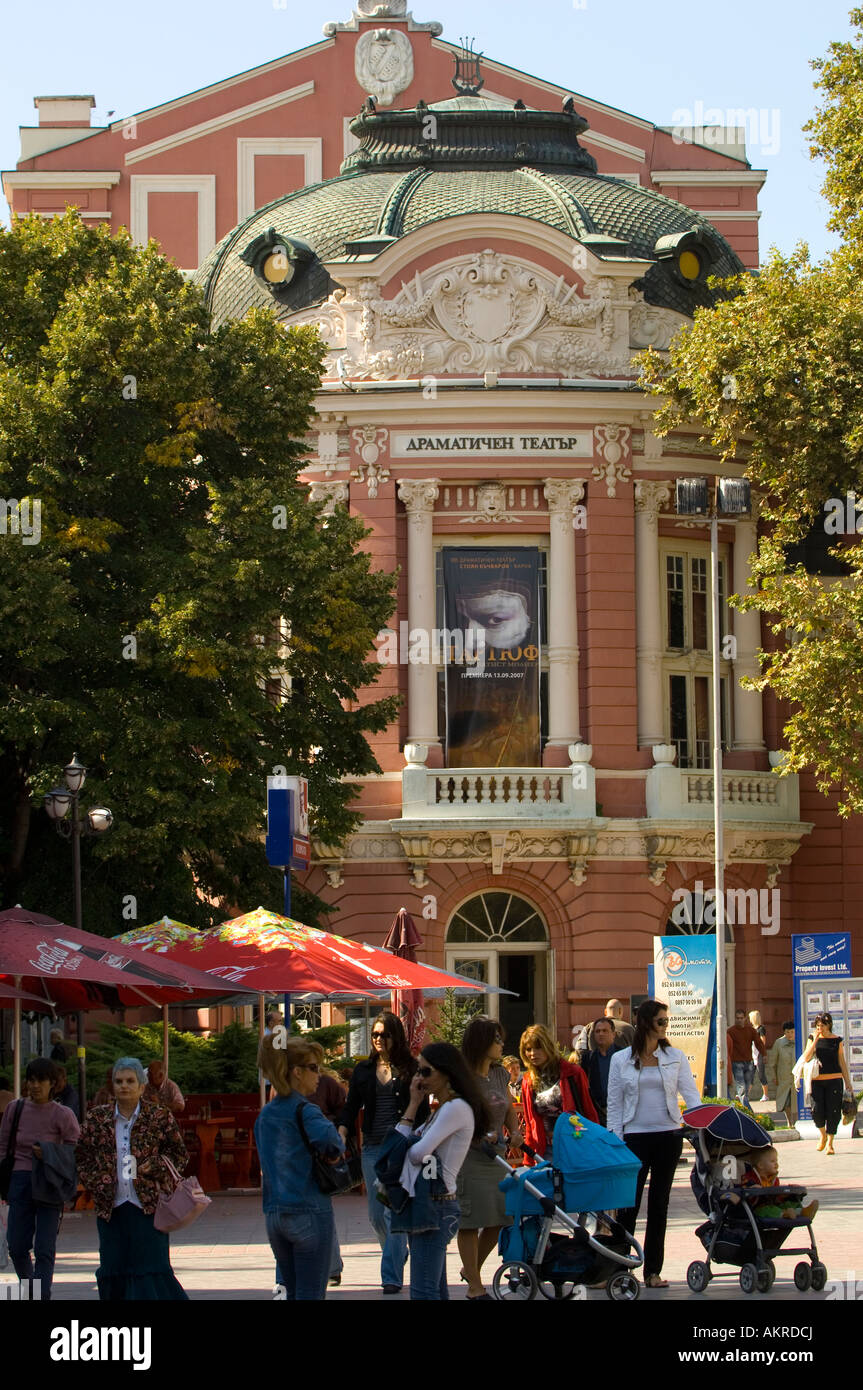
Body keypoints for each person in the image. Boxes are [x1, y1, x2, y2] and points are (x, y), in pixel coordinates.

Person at [76, 1056, 189, 1300]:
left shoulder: (158, 1116)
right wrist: (96, 1181)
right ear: (112, 1086)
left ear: (141, 1086)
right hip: (111, 1207)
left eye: (130, 1081)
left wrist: (153, 1166)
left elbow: (179, 1155)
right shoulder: (97, 1119)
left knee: (150, 1268)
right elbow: (81, 1156)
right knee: (113, 1267)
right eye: (119, 1081)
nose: (124, 1086)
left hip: (147, 1205)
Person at [607, 999, 701, 1289]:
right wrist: (615, 1141)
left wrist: (702, 1127)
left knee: (660, 1205)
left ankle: (652, 1272)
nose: (665, 1026)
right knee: (628, 1206)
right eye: (661, 1021)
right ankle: (623, 1268)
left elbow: (691, 1095)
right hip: (634, 1137)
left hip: (668, 1135)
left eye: (666, 1022)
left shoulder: (675, 1056)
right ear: (646, 1022)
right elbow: (614, 1104)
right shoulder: (620, 1059)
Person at [336, 1010, 428, 1295]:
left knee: (393, 1212)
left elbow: (423, 1111)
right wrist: (342, 1128)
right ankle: (398, 1253)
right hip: (373, 1148)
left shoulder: (411, 1069)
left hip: (401, 1148)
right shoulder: (364, 1071)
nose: (377, 1039)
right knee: (377, 1216)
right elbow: (351, 1106)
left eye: (383, 1035)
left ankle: (391, 1276)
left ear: (395, 1037)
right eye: (374, 1034)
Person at [394, 1041, 490, 1300]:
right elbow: (400, 1140)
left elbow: (415, 1152)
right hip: (428, 1202)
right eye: (418, 1070)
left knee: (424, 1291)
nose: (419, 1078)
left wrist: (410, 1143)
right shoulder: (441, 1110)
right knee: (433, 1288)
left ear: (446, 1073)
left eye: (426, 1072)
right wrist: (414, 1104)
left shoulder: (454, 1108)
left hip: (437, 1205)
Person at [255, 1034, 344, 1301]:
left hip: (275, 1213)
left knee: (290, 1291)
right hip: (309, 1209)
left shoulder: (266, 1114)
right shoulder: (306, 1110)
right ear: (296, 1072)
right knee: (311, 1293)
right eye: (314, 1068)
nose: (320, 1075)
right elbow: (333, 1145)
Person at [0, 1057, 80, 1299]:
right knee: (16, 1245)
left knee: (45, 1248)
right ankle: (34, 1291)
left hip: (48, 1181)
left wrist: (48, 1151)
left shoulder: (62, 1114)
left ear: (52, 1084)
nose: (35, 1086)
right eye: (31, 1080)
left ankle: (39, 1294)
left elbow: (75, 1147)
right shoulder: (16, 1108)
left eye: (41, 1081)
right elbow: (4, 1144)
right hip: (20, 1179)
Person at [456, 1017, 523, 1299]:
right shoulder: (462, 1077)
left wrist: (516, 1130)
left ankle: (470, 1269)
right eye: (497, 1039)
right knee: (470, 1220)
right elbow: (453, 1112)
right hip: (468, 1156)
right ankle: (474, 1285)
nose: (501, 1044)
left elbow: (508, 1106)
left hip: (496, 1157)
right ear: (481, 1042)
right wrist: (476, 1135)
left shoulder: (499, 1074)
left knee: (499, 1217)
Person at [519, 1023, 597, 1162]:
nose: (532, 1054)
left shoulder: (573, 1073)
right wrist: (529, 1159)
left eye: (538, 1048)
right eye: (528, 1049)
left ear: (548, 1047)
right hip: (545, 1150)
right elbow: (530, 1123)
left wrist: (594, 1145)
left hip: (576, 1145)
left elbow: (589, 1111)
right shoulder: (528, 1080)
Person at [308, 1066, 348, 1287]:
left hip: (319, 1161)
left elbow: (345, 1111)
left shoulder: (327, 1084)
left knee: (322, 1212)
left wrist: (334, 1133)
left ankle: (332, 1267)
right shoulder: (282, 1091)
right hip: (293, 1171)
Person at [803, 1012, 854, 1154]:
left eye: (823, 1025)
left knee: (834, 1112)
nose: (820, 1028)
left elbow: (841, 1061)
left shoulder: (837, 1040)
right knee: (817, 1111)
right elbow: (806, 1057)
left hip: (834, 1080)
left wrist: (847, 1081)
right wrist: (815, 1040)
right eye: (818, 1025)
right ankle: (823, 1135)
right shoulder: (813, 1037)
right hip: (817, 1081)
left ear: (829, 1025)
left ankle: (830, 1143)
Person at [733, 1146, 818, 1223]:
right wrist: (752, 1188)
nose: (776, 1164)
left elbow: (776, 1198)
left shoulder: (774, 1180)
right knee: (767, 1210)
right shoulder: (749, 1178)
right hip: (756, 1209)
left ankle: (803, 1212)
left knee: (789, 1203)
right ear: (761, 1165)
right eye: (772, 1161)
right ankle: (785, 1214)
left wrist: (786, 1193)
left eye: (776, 1160)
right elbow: (744, 1192)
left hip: (773, 1204)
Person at [577, 1017, 626, 1127]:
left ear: (613, 1034)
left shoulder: (625, 1055)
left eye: (605, 1031)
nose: (601, 1034)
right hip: (598, 1116)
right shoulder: (588, 1058)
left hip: (622, 1113)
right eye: (598, 1031)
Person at [727, 1008, 766, 1111]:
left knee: (747, 1087)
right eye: (737, 1018)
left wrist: (764, 1054)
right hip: (736, 1062)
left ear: (745, 1018)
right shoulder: (731, 1031)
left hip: (748, 1062)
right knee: (742, 1087)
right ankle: (748, 1110)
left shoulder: (750, 1030)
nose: (739, 1020)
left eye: (741, 1018)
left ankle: (741, 1107)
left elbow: (759, 1043)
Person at [766, 1021, 798, 1129]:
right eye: (787, 1032)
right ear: (784, 1032)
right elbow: (772, 1063)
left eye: (792, 1032)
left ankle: (796, 1122)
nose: (790, 1034)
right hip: (783, 1079)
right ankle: (790, 1122)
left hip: (797, 1079)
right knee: (786, 1102)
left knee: (797, 1101)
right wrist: (774, 1077)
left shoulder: (800, 1041)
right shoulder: (778, 1043)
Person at [749, 1010, 769, 1102]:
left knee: (761, 1075)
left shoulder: (761, 1029)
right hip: (752, 1054)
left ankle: (765, 1095)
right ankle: (745, 1094)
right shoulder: (751, 1029)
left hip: (759, 1054)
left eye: (750, 1018)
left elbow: (763, 1041)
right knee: (750, 1075)